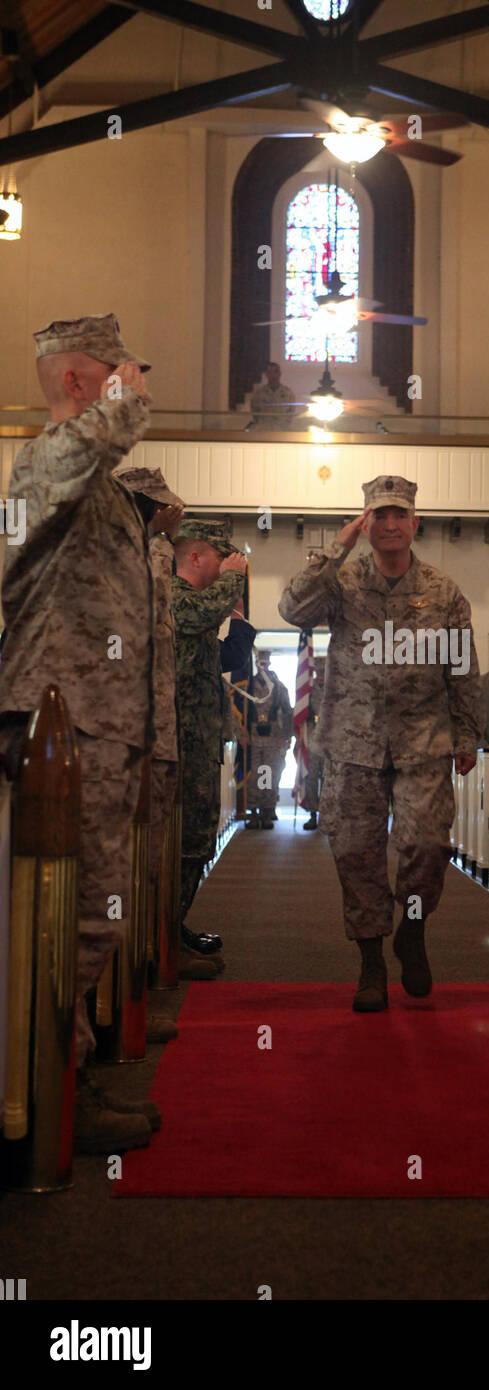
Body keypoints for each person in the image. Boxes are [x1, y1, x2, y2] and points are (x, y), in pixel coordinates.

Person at [0, 312, 160, 1153]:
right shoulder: (45, 462)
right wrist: (123, 405)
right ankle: (46, 1098)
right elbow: (76, 451)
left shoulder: (90, 481)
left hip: (98, 723)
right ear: (76, 382)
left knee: (89, 909)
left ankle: (60, 1078)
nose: (135, 381)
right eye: (117, 369)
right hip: (63, 723)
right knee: (68, 914)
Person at [279, 475, 483, 1012]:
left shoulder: (443, 591)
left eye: (399, 516)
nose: (390, 525)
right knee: (354, 852)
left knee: (428, 845)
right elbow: (290, 610)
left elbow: (461, 668)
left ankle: (411, 927)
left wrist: (467, 734)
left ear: (415, 524)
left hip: (424, 741)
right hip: (353, 742)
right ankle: (371, 963)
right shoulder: (341, 583)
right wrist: (337, 546)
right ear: (365, 523)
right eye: (379, 516)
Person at [112, 462, 185, 1045]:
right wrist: (161, 538)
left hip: (150, 737)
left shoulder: (143, 554)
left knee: (142, 873)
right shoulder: (131, 558)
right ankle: (114, 1014)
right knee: (120, 880)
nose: (165, 518)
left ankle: (127, 1002)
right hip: (127, 741)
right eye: (154, 509)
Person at [172, 519, 248, 976]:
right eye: (221, 557)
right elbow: (200, 615)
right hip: (177, 746)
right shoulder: (176, 597)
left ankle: (170, 928)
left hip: (196, 745)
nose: (227, 566)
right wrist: (236, 579)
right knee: (183, 844)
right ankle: (161, 943)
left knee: (195, 843)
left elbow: (224, 660)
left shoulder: (197, 607)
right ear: (196, 556)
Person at [247, 649, 293, 828]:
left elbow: (288, 712)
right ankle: (253, 812)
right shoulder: (248, 685)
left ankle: (267, 811)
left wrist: (285, 737)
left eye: (265, 663)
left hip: (273, 737)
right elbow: (241, 711)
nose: (263, 665)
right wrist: (242, 733)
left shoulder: (278, 687)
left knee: (269, 775)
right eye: (260, 662)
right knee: (255, 776)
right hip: (254, 736)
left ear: (269, 663)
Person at [302, 655, 326, 831]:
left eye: (325, 669)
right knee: (310, 777)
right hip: (311, 737)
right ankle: (312, 814)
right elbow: (299, 713)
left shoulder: (335, 687)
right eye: (319, 669)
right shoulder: (307, 689)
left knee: (327, 779)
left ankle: (325, 815)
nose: (322, 673)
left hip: (329, 740)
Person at [248, 362, 298, 429]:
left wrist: (285, 424)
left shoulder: (287, 393)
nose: (273, 375)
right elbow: (254, 412)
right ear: (266, 374)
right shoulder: (259, 393)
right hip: (264, 429)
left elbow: (291, 411)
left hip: (281, 430)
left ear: (280, 374)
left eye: (275, 372)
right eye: (269, 372)